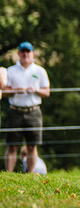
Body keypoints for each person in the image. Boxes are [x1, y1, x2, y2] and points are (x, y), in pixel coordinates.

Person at [5, 42, 50, 173]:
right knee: (12, 145)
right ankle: (9, 174)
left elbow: (47, 92)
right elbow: (5, 92)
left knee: (32, 145)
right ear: (19, 53)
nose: (25, 54)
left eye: (28, 52)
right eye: (23, 52)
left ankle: (31, 174)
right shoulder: (11, 71)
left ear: (32, 54)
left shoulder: (40, 71)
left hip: (33, 111)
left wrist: (36, 90)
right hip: (15, 111)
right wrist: (15, 91)